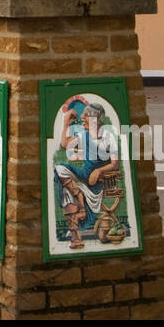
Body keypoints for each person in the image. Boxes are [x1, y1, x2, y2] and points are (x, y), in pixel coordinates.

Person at [53, 97, 119, 249]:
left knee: (65, 190)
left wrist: (99, 170)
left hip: (96, 184)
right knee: (60, 169)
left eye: (86, 116)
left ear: (95, 119)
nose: (82, 118)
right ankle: (81, 204)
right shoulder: (84, 136)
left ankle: (76, 236)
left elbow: (115, 164)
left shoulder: (108, 137)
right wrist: (65, 124)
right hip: (82, 178)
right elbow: (64, 144)